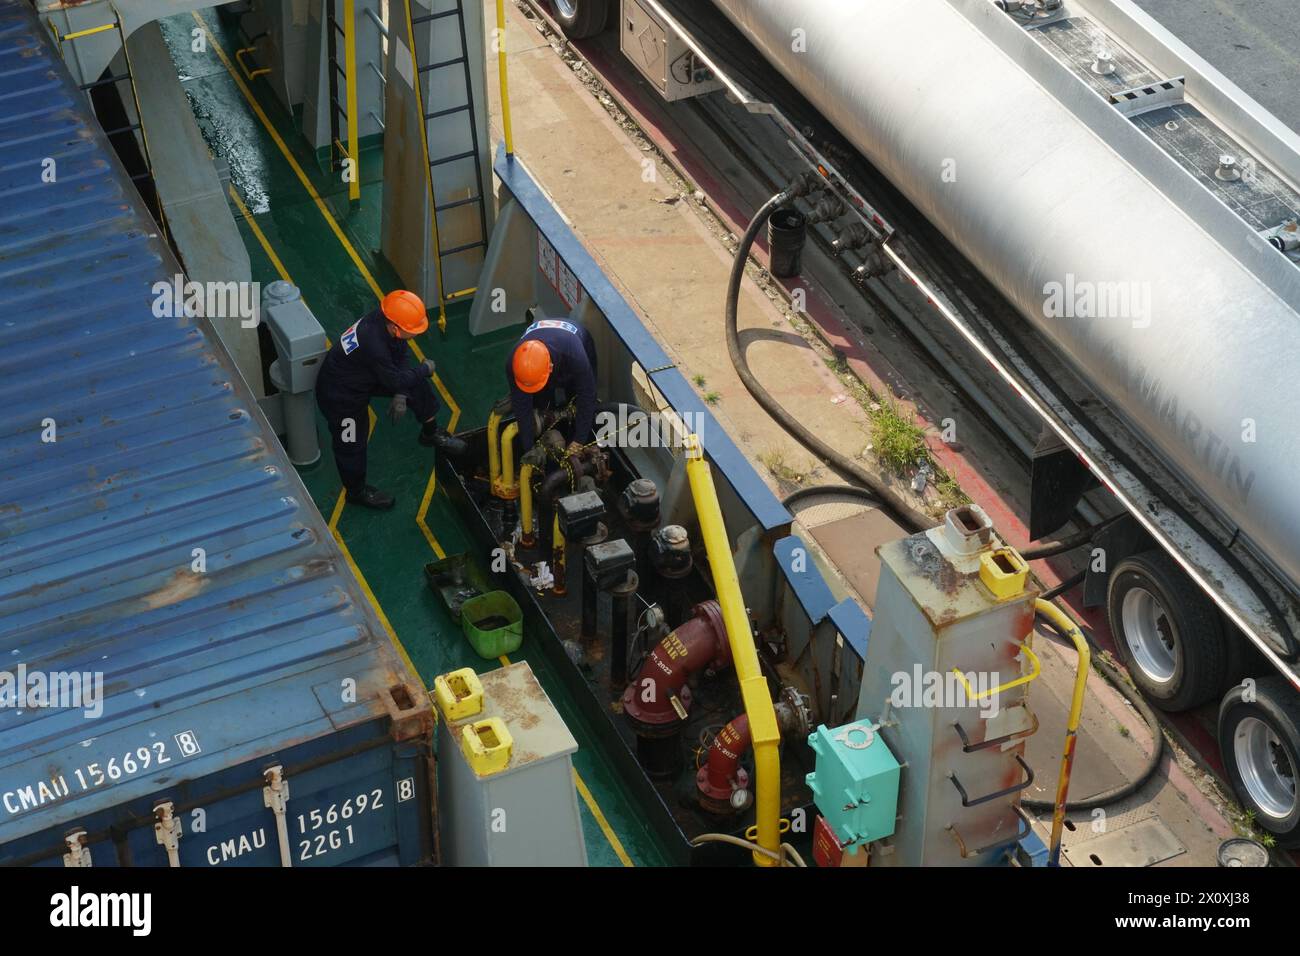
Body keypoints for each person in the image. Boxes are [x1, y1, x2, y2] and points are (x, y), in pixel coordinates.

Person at [315, 290, 466, 509]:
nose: (415, 334)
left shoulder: (387, 319)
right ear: (395, 327)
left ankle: (430, 432)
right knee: (351, 442)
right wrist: (424, 369)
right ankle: (356, 492)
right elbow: (395, 379)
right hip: (341, 394)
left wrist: (402, 394)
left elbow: (400, 354)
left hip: (366, 375)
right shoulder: (374, 343)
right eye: (412, 330)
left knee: (414, 384)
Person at [506, 312, 598, 457]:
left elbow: (587, 395)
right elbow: (521, 406)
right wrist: (529, 449)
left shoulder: (575, 355)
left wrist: (579, 440)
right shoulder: (515, 363)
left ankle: (575, 434)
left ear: (550, 367)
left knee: (575, 397)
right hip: (552, 348)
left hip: (575, 343)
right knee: (539, 402)